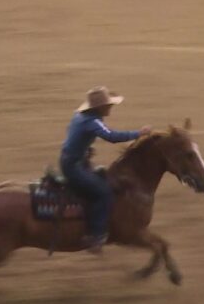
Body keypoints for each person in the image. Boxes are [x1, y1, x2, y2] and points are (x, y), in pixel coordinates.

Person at [60, 86, 152, 253]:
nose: (111, 107)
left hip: (73, 161)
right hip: (74, 166)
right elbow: (111, 136)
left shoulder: (80, 116)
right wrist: (139, 133)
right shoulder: (92, 122)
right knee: (103, 192)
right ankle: (96, 236)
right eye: (108, 105)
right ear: (99, 107)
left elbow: (71, 132)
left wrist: (82, 148)